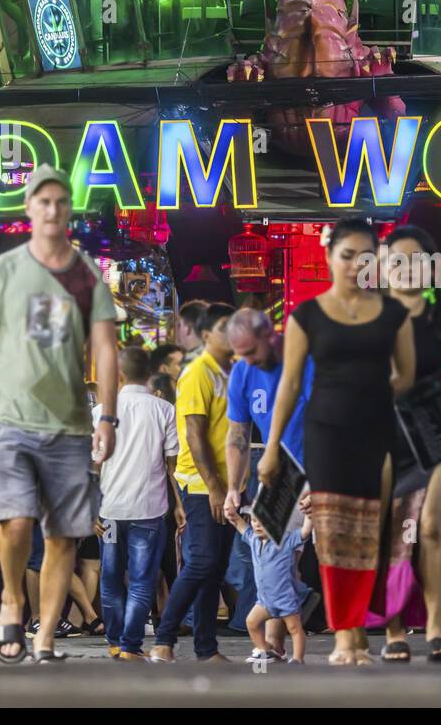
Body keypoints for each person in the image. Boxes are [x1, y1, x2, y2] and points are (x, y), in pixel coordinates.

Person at [0, 164, 118, 665]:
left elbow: (107, 350)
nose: (52, 210)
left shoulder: (86, 273)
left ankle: (46, 637)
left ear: (68, 210)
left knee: (63, 534)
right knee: (15, 521)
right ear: (29, 209)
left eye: (60, 202)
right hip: (9, 420)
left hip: (70, 425)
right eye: (42, 201)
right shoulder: (4, 271)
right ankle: (11, 597)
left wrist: (107, 418)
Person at [259, 217, 415, 666]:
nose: (354, 265)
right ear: (329, 257)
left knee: (371, 532)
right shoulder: (306, 315)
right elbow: (288, 386)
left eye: (364, 256)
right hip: (325, 432)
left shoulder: (393, 314)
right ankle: (345, 636)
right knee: (331, 534)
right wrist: (271, 449)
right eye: (346, 255)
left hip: (378, 431)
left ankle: (363, 631)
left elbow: (405, 376)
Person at [370, 225, 441, 664]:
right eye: (395, 261)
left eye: (413, 261)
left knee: (432, 528)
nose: (404, 269)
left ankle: (434, 626)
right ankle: (394, 630)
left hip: (434, 436)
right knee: (392, 535)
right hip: (383, 435)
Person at [150, 303, 237, 664]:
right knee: (201, 561)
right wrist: (215, 485)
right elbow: (194, 433)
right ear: (205, 335)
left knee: (215, 567)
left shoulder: (231, 370)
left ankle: (206, 648)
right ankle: (163, 639)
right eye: (224, 327)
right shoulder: (198, 372)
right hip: (202, 482)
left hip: (229, 482)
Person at [223, 307, 314, 652]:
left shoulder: (304, 358)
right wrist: (234, 487)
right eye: (239, 354)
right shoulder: (242, 373)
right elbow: (237, 436)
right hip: (279, 476)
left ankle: (352, 642)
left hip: (320, 466)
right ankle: (275, 644)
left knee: (336, 555)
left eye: (251, 352)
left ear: (269, 336)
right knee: (278, 562)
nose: (245, 360)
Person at [94, 347, 178, 661]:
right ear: (150, 374)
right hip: (149, 509)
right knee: (143, 579)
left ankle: (115, 642)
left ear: (120, 374)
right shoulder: (163, 409)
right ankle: (130, 645)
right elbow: (171, 463)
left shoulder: (100, 411)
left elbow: (93, 465)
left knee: (111, 576)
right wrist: (179, 504)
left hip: (110, 510)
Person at [227, 509, 313, 664]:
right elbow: (239, 524)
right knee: (251, 623)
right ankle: (266, 650)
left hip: (285, 598)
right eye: (254, 521)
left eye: (263, 522)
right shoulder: (253, 539)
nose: (257, 525)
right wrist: (232, 514)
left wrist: (309, 515)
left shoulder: (286, 540)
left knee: (295, 629)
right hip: (264, 601)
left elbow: (305, 532)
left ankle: (298, 659)